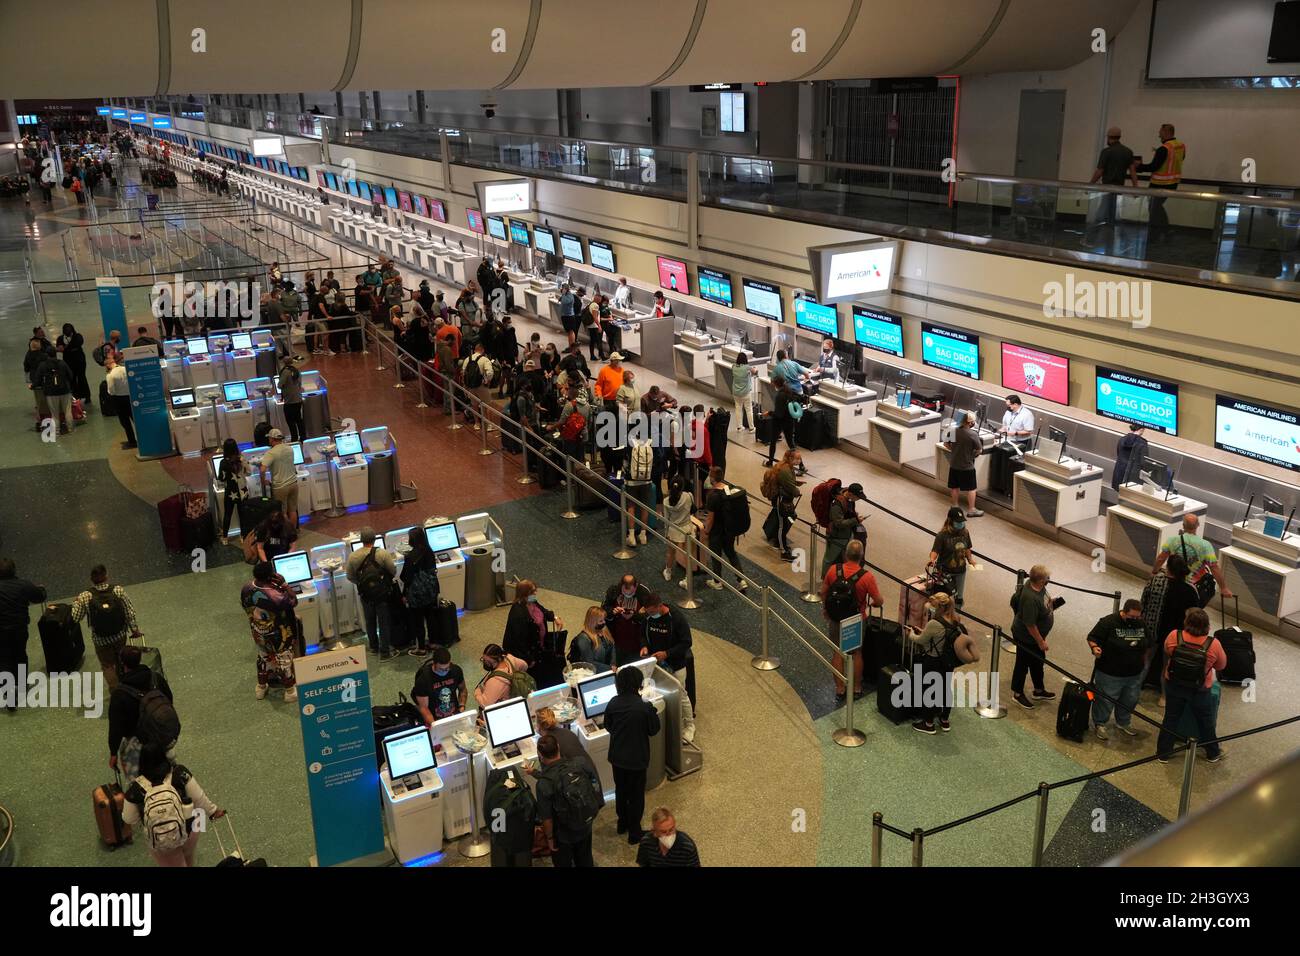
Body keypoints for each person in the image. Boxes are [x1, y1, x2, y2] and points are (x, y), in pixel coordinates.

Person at [122, 749, 224, 867]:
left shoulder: (135, 789)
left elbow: (129, 819)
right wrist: (213, 811)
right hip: (189, 828)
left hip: (162, 838)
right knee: (189, 856)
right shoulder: (179, 773)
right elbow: (198, 797)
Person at [1156, 608, 1226, 764]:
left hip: (1174, 684)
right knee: (1205, 721)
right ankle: (1213, 753)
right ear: (1207, 626)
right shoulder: (1213, 644)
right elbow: (1221, 666)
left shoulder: (1175, 635)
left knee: (1171, 718)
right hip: (1199, 690)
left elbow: (1167, 650)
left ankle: (1163, 753)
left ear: (1186, 622)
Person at [907, 592, 980, 734]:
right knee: (945, 689)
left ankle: (928, 723)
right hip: (948, 661)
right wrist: (925, 633)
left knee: (930, 690)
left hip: (933, 660)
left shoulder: (934, 623)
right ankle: (944, 719)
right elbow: (939, 636)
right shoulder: (955, 619)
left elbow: (921, 640)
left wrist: (911, 634)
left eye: (932, 606)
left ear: (938, 608)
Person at [820, 539, 883, 701]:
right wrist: (872, 604)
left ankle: (840, 688)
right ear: (861, 556)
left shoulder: (834, 570)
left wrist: (826, 610)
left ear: (846, 554)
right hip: (855, 620)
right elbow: (879, 600)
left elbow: (824, 592)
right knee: (855, 654)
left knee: (837, 652)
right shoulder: (867, 577)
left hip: (835, 618)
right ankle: (856, 687)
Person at [604, 665, 661, 844]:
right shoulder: (644, 707)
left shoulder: (613, 703)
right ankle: (635, 833)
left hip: (617, 758)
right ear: (639, 684)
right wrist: (651, 709)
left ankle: (622, 823)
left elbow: (608, 726)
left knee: (621, 791)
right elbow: (654, 730)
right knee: (636, 796)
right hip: (637, 760)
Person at [534, 733, 603, 866]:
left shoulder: (544, 784)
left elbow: (547, 818)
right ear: (558, 747)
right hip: (585, 823)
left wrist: (549, 838)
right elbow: (594, 782)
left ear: (540, 755)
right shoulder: (580, 763)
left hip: (563, 833)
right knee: (585, 858)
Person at [1141, 554, 1201, 706]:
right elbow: (1194, 615)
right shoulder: (1190, 589)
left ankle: (1135, 687)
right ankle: (1164, 697)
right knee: (1167, 666)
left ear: (1168, 568)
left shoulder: (1155, 581)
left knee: (1145, 660)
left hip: (1152, 629)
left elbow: (1143, 603)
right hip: (1175, 635)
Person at [107, 645, 176, 776]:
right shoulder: (156, 678)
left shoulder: (119, 693)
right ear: (139, 659)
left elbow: (115, 727)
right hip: (161, 735)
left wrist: (113, 753)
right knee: (168, 773)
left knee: (138, 783)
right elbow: (169, 699)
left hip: (137, 745)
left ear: (122, 663)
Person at [70, 565, 141, 693]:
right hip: (119, 635)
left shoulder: (85, 596)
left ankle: (116, 692)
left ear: (91, 579)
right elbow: (129, 612)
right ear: (106, 576)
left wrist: (76, 602)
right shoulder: (117, 590)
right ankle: (127, 687)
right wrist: (134, 630)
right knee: (121, 660)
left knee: (107, 665)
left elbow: (75, 617)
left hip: (100, 639)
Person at [1087, 599, 1149, 740]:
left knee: (1130, 699)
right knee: (1105, 700)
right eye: (1132, 616)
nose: (1135, 620)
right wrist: (1094, 648)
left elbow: (1148, 642)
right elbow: (1092, 637)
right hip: (1110, 672)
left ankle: (1123, 722)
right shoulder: (1108, 622)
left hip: (1134, 673)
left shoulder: (1140, 623)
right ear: (1124, 611)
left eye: (1137, 617)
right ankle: (1100, 723)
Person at [240, 561, 300, 699]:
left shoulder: (246, 588)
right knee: (284, 661)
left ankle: (261, 688)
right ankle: (290, 691)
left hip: (258, 633)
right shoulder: (275, 595)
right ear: (270, 575)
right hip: (279, 635)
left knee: (263, 658)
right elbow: (293, 600)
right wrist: (284, 585)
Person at [640, 593, 696, 741]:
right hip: (655, 663)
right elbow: (642, 635)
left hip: (676, 664)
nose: (650, 615)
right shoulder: (647, 617)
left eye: (652, 612)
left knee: (681, 695)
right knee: (657, 692)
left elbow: (687, 642)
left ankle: (689, 725)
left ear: (660, 606)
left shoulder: (676, 618)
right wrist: (644, 646)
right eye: (648, 612)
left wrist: (667, 653)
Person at [1151, 513, 1233, 605]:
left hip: (1170, 582)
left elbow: (1161, 559)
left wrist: (1154, 571)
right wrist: (1223, 588)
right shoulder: (1205, 545)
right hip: (1191, 586)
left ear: (1183, 525)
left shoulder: (1172, 540)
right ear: (1198, 525)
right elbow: (1214, 568)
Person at [346, 527, 400, 663]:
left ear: (361, 540)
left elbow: (350, 576)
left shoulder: (353, 556)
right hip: (381, 594)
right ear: (374, 539)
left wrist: (361, 584)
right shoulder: (382, 553)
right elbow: (392, 571)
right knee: (383, 622)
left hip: (366, 595)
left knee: (370, 621)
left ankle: (374, 647)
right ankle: (385, 652)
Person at [0, 559, 47, 712]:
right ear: (14, 570)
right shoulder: (23, 585)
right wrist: (42, 590)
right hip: (19, 629)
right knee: (20, 656)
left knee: (4, 659)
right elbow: (39, 597)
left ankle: (8, 691)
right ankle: (20, 688)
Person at [1010, 565, 1059, 710]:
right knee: (1022, 665)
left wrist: (1051, 604)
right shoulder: (1030, 598)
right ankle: (1017, 694)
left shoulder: (1038, 587)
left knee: (1038, 662)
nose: (1049, 580)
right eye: (1047, 578)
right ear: (1041, 580)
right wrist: (1041, 642)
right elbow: (1030, 625)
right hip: (1026, 637)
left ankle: (1039, 690)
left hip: (1036, 637)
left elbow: (1044, 601)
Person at [502, 579, 562, 685]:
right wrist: (529, 660)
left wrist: (554, 617)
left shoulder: (531, 600)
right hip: (527, 655)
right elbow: (519, 641)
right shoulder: (518, 613)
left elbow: (542, 610)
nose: (535, 593)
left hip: (537, 648)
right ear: (525, 594)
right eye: (533, 591)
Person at [1085, 126, 1138, 243]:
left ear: (1109, 138)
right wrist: (1136, 189)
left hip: (1107, 187)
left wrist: (1090, 185)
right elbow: (1133, 172)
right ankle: (1109, 240)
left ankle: (1090, 239)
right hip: (1119, 188)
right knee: (1111, 215)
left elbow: (1100, 171)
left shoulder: (1106, 152)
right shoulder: (1128, 152)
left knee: (1100, 214)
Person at [1136, 124, 1185, 244]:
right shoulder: (1181, 146)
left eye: (1160, 132)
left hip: (1159, 183)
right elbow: (1180, 160)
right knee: (1157, 208)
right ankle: (1165, 232)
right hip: (1173, 183)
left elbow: (1154, 167)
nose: (1159, 134)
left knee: (1153, 209)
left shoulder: (1164, 149)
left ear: (1166, 132)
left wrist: (1139, 166)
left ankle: (1157, 234)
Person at [399, 529, 443, 656]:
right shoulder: (429, 551)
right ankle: (433, 642)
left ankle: (421, 648)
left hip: (416, 594)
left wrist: (403, 594)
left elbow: (405, 578)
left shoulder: (410, 557)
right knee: (430, 617)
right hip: (430, 591)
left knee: (418, 621)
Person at [703, 468, 747, 592]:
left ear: (712, 478)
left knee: (716, 555)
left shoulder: (713, 496)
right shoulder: (729, 488)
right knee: (731, 553)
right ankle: (741, 579)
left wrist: (706, 531)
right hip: (730, 529)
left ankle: (717, 581)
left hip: (717, 531)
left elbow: (710, 518)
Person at [929, 506, 977, 606]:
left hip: (960, 571)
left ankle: (956, 617)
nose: (961, 524)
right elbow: (935, 550)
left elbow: (967, 547)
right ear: (950, 521)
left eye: (962, 521)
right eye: (958, 522)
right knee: (943, 599)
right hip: (945, 572)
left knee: (959, 598)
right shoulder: (942, 535)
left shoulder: (965, 533)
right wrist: (932, 559)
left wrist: (970, 560)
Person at [603, 573, 651, 665]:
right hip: (616, 636)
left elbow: (650, 614)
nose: (627, 595)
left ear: (636, 586)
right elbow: (604, 608)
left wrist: (634, 616)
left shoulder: (644, 593)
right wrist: (613, 612)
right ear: (621, 586)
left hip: (637, 639)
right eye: (624, 592)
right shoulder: (614, 591)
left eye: (631, 593)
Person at [412, 646, 466, 726]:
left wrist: (461, 706)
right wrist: (435, 725)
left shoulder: (456, 670)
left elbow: (463, 690)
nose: (445, 671)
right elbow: (424, 708)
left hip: (454, 715)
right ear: (434, 664)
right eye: (441, 669)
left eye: (447, 668)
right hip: (433, 718)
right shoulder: (423, 679)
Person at [945, 411, 984, 518]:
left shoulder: (952, 430)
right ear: (970, 422)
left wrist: (954, 451)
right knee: (971, 488)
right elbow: (979, 449)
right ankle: (971, 509)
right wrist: (972, 456)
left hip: (954, 464)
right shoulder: (972, 434)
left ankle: (955, 506)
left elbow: (946, 444)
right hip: (967, 466)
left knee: (954, 486)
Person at [821, 482, 865, 576]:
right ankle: (825, 579)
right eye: (857, 497)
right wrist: (855, 520)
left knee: (842, 559)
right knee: (829, 559)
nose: (858, 499)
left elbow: (847, 513)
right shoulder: (837, 503)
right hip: (836, 535)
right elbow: (838, 523)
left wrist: (854, 515)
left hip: (845, 534)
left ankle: (837, 577)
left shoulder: (849, 499)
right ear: (851, 494)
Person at [660, 477, 697, 586]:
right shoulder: (689, 496)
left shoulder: (666, 501)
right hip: (687, 528)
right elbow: (692, 510)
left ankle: (668, 572)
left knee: (671, 552)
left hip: (673, 529)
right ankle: (687, 578)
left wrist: (666, 534)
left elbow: (666, 520)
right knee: (688, 555)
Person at [258, 429, 300, 526]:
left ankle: (285, 534)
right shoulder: (290, 448)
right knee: (293, 510)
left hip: (280, 486)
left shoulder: (271, 453)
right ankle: (293, 533)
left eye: (269, 438)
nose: (268, 440)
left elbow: (262, 469)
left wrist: (263, 481)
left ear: (272, 439)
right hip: (293, 483)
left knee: (282, 512)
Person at [637, 807, 701, 867]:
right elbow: (643, 864)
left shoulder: (687, 847)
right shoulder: (646, 843)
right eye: (663, 832)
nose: (669, 835)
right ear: (654, 832)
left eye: (671, 830)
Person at [473, 643, 530, 709]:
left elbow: (486, 705)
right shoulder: (509, 659)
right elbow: (525, 665)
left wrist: (477, 692)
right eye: (484, 660)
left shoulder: (495, 681)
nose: (486, 664)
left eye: (489, 662)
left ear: (499, 659)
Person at [34, 347, 75, 434]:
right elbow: (71, 375)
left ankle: (57, 431)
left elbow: (37, 380)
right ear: (55, 353)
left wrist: (34, 385)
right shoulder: (62, 363)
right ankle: (70, 429)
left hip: (51, 392)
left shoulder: (43, 365)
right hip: (65, 390)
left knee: (54, 414)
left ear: (47, 355)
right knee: (67, 411)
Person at [216, 438, 249, 540]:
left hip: (230, 491)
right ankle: (243, 536)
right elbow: (249, 472)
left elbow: (221, 478)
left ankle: (225, 537)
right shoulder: (242, 459)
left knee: (227, 514)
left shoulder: (223, 462)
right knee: (243, 514)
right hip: (242, 490)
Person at [101, 354, 136, 449]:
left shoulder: (110, 375)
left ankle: (132, 441)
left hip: (119, 400)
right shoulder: (125, 369)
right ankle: (142, 438)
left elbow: (111, 391)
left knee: (125, 422)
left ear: (107, 365)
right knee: (134, 418)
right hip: (130, 397)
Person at [569, 606, 617, 673]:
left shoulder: (604, 629)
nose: (604, 622)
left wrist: (613, 663)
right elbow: (589, 663)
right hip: (593, 673)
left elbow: (612, 646)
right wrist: (610, 669)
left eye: (604, 619)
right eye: (601, 621)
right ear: (592, 622)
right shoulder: (583, 638)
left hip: (607, 670)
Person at [764, 375, 799, 466]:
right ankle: (801, 465)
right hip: (789, 420)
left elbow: (779, 414)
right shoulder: (790, 392)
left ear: (776, 384)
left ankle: (770, 462)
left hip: (779, 422)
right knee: (791, 444)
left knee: (773, 442)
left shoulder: (780, 396)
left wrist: (769, 413)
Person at [57, 323, 92, 409]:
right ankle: (76, 396)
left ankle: (87, 396)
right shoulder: (60, 338)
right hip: (68, 362)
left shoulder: (78, 336)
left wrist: (65, 348)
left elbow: (77, 344)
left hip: (79, 361)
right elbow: (60, 348)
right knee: (71, 379)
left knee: (82, 377)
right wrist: (65, 348)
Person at [1111, 424, 1149, 490]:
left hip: (1119, 473)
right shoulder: (1142, 444)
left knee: (1120, 493)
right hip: (1133, 478)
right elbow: (1144, 463)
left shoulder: (1122, 439)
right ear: (1141, 429)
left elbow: (1118, 453)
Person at [731, 352, 757, 431]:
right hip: (746, 392)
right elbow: (754, 371)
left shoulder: (733, 366)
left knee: (738, 409)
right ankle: (751, 428)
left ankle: (739, 427)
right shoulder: (747, 367)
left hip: (736, 392)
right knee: (749, 410)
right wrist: (754, 368)